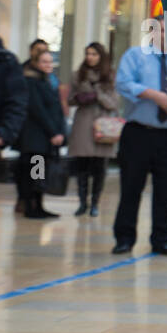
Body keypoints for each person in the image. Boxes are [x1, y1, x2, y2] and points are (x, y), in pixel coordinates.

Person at [111, 17, 167, 255]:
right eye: (161, 30)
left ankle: (161, 239)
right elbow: (123, 83)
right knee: (131, 186)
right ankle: (125, 238)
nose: (165, 35)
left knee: (166, 190)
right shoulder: (135, 56)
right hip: (139, 132)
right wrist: (152, 94)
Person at [67, 42, 119, 216]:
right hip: (83, 122)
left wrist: (98, 94)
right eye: (88, 53)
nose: (90, 57)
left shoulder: (110, 76)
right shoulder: (77, 75)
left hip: (103, 125)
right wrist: (80, 97)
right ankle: (82, 203)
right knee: (82, 166)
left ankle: (95, 202)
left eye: (94, 54)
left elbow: (114, 103)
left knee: (99, 167)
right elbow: (69, 100)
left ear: (101, 56)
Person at [15, 48, 67, 218]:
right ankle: (31, 207)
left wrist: (60, 132)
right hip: (36, 138)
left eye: (50, 62)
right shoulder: (31, 82)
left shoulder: (48, 81)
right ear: (36, 63)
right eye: (44, 62)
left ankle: (39, 206)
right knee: (34, 173)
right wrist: (53, 132)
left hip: (45, 139)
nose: (48, 65)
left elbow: (56, 109)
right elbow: (38, 110)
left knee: (40, 173)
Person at [0, 4, 28, 203]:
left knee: (36, 172)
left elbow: (17, 102)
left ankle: (32, 203)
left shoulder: (6, 61)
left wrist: (6, 132)